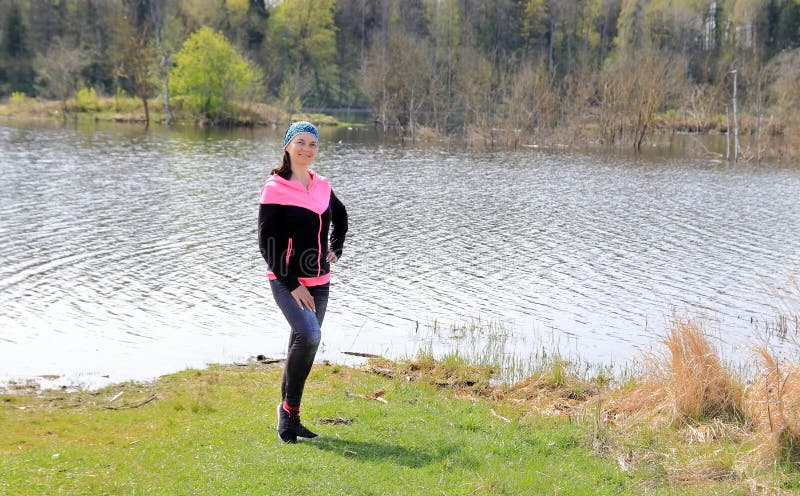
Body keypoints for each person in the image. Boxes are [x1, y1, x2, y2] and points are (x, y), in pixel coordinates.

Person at [258, 121, 348, 443]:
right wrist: (292, 283)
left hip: (320, 278)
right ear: (287, 145)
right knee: (310, 335)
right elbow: (266, 243)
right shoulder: (275, 188)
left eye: (313, 144)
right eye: (301, 142)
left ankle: (290, 416)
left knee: (303, 341)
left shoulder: (321, 184)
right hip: (286, 279)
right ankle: (288, 411)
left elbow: (341, 215)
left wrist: (336, 246)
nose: (307, 149)